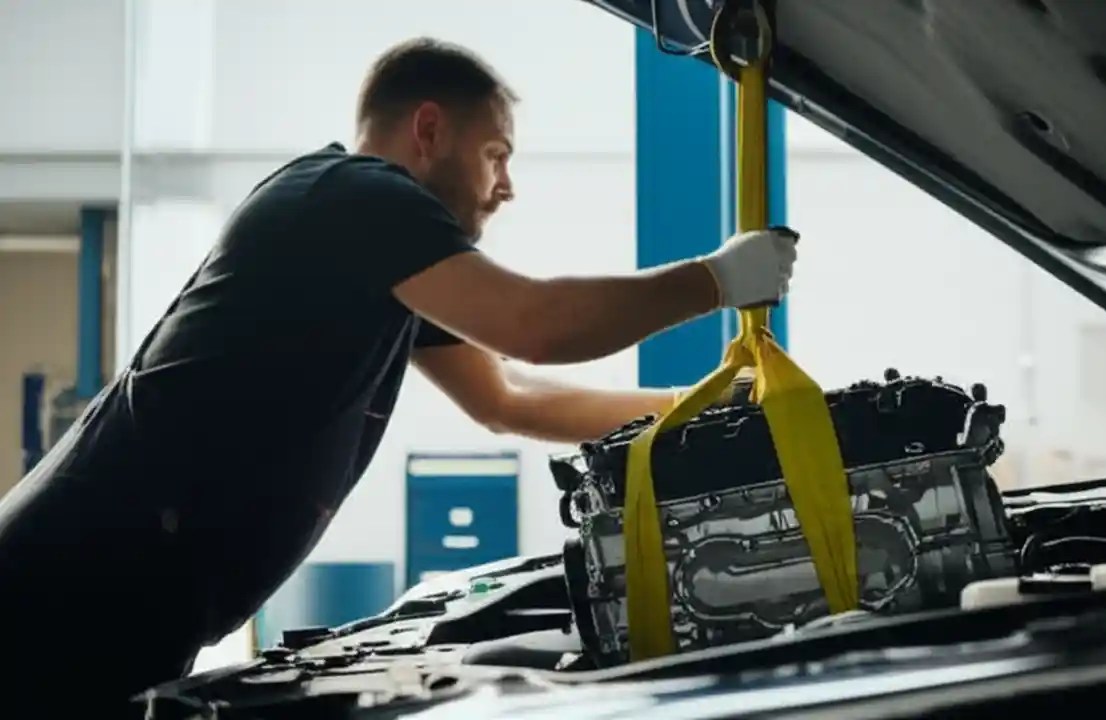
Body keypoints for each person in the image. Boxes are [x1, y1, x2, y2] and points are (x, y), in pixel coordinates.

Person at [0, 37, 797, 716]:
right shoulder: (355, 197)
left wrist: (701, 408)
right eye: (496, 155)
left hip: (107, 600)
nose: (506, 186)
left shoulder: (369, 250)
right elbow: (535, 325)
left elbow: (508, 399)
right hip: (62, 596)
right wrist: (716, 280)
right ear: (428, 129)